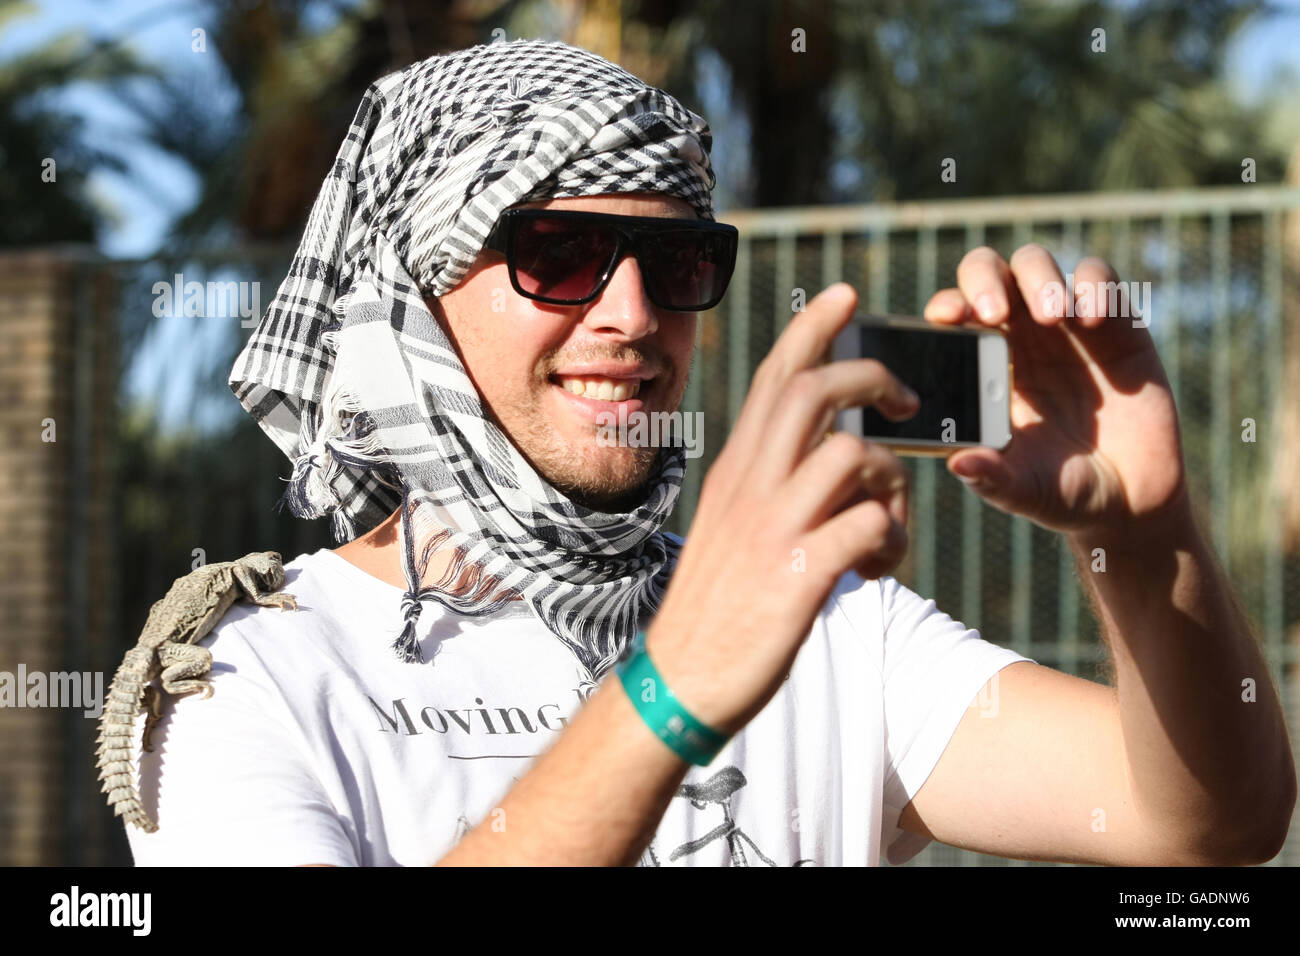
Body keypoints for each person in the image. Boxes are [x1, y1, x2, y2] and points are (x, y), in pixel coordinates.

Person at [125, 38, 1294, 867]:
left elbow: (1207, 825)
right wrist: (673, 682)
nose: (632, 315)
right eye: (559, 254)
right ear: (407, 295)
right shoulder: (247, 676)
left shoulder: (829, 627)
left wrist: (1142, 535)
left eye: (677, 262)